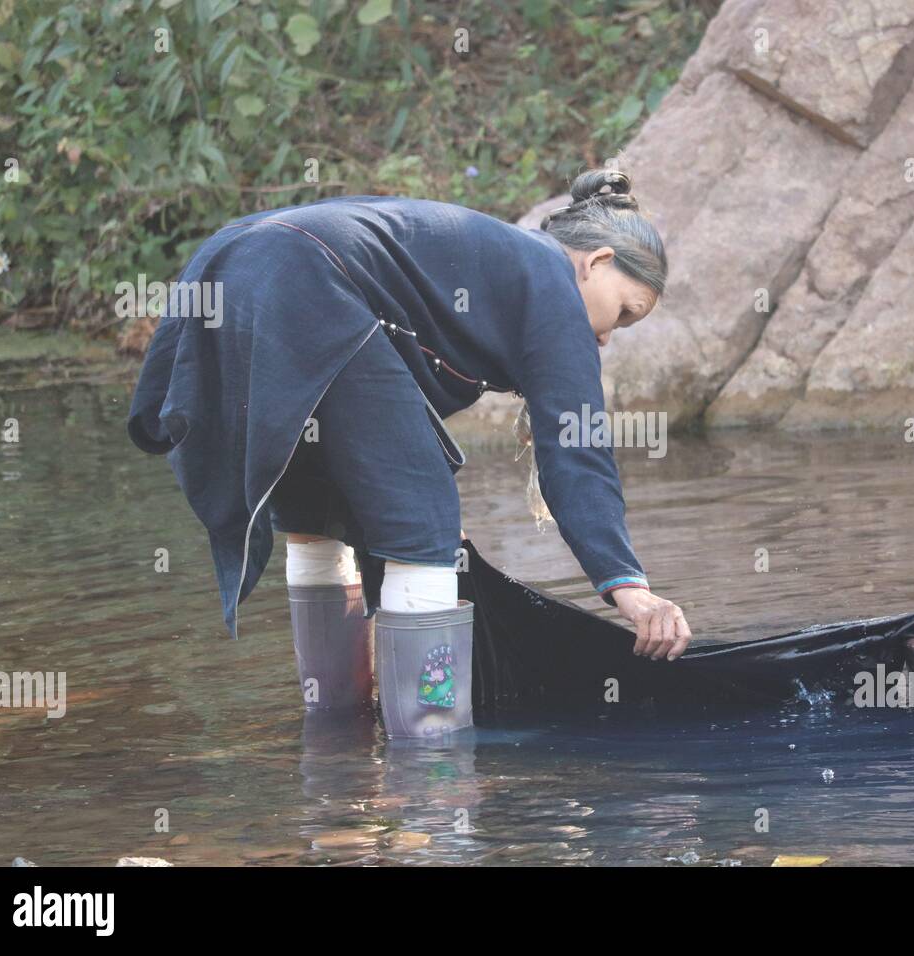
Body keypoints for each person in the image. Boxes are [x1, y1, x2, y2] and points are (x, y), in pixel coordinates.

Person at [127, 168, 693, 717]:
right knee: (422, 527)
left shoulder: (492, 261)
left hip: (227, 265)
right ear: (595, 263)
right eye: (622, 313)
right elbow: (578, 449)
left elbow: (382, 413)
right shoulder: (552, 279)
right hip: (308, 283)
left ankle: (337, 739)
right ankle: (431, 766)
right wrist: (629, 588)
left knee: (319, 519)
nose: (604, 337)